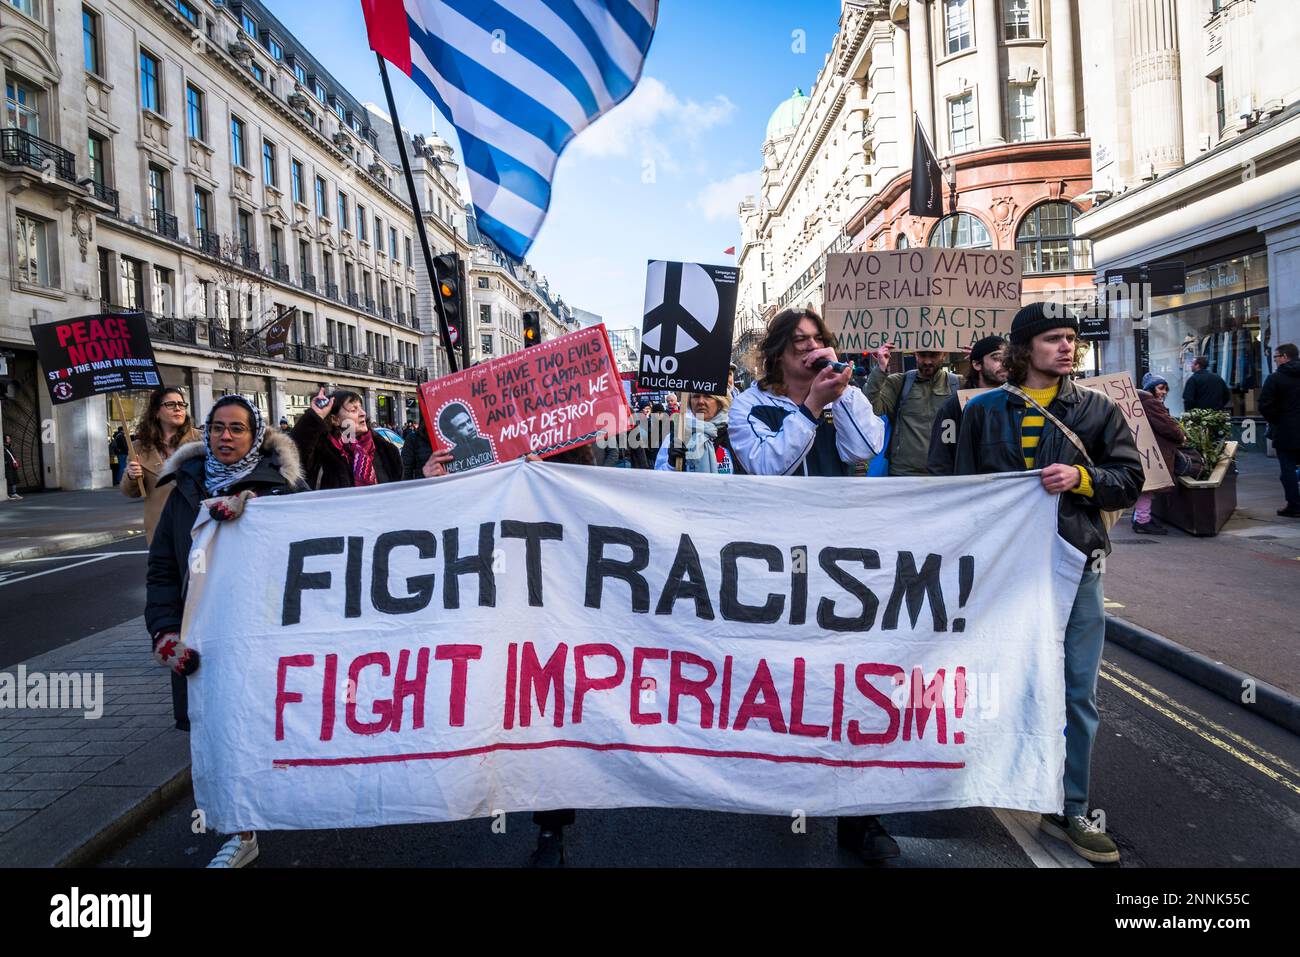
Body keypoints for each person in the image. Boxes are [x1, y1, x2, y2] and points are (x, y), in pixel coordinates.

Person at [954, 302, 1142, 863]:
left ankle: (1071, 808)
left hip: (1074, 565)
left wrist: (1082, 478)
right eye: (1054, 338)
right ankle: (991, 777)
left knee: (1077, 690)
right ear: (1023, 348)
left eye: (1072, 339)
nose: (1067, 347)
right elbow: (963, 492)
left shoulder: (1098, 411)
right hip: (1003, 572)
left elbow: (1130, 480)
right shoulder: (984, 411)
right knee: (996, 678)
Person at [728, 307, 895, 863]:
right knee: (786, 682)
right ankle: (787, 785)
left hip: (836, 558)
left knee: (846, 679)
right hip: (775, 562)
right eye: (798, 342)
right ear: (775, 352)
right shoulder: (750, 406)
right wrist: (809, 409)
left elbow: (865, 450)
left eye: (817, 339)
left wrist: (840, 396)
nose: (810, 349)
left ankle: (859, 815)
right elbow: (764, 468)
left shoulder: (844, 393)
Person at [147, 394, 306, 868]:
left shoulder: (281, 488)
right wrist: (163, 633)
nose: (225, 436)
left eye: (237, 428)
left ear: (255, 435)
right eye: (217, 427)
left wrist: (259, 510)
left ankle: (302, 802)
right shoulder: (184, 491)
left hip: (264, 637)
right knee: (221, 734)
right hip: (206, 638)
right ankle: (243, 833)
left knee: (264, 728)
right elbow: (161, 571)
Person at [121, 387, 202, 544]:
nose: (178, 408)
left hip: (196, 522)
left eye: (181, 404)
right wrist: (132, 476)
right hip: (160, 525)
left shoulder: (201, 440)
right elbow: (130, 492)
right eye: (170, 404)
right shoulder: (138, 447)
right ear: (156, 412)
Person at [865, 346, 960, 476]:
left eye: (933, 355)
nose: (927, 361)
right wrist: (880, 368)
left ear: (944, 354)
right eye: (922, 355)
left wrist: (979, 367)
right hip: (904, 474)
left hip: (947, 473)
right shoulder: (898, 382)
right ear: (915, 354)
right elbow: (872, 408)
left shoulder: (959, 383)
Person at [291, 387, 403, 489]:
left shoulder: (384, 449)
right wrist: (314, 417)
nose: (363, 413)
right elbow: (294, 455)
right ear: (335, 419)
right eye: (353, 410)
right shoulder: (321, 451)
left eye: (361, 408)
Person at [928, 336, 1007, 475]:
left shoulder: (1018, 402)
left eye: (1009, 358)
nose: (1005, 364)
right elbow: (941, 456)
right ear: (977, 364)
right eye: (997, 358)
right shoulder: (953, 408)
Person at [1132, 373, 1186, 534]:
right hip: (1153, 450)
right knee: (1148, 487)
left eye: (1165, 389)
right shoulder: (1150, 402)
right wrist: (1180, 435)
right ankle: (1142, 521)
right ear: (1151, 388)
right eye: (1160, 388)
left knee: (1146, 486)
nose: (1164, 392)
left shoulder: (1141, 401)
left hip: (1145, 449)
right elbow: (1165, 425)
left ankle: (1141, 517)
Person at [654, 392, 745, 474]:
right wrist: (671, 465)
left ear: (720, 402)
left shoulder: (735, 435)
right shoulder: (677, 435)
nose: (700, 401)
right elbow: (659, 481)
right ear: (689, 402)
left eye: (708, 396)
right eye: (696, 396)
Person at [1259, 343, 1300, 518]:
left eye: (1275, 357)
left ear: (1284, 357)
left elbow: (1264, 405)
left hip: (1287, 431)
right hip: (1288, 428)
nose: (1274, 360)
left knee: (1288, 469)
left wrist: (1278, 420)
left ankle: (1294, 505)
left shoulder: (1275, 378)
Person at [437, 401, 496, 473]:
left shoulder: (493, 444)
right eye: (461, 426)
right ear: (451, 436)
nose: (470, 427)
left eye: (469, 421)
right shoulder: (448, 462)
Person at [4, 434, 20, 500]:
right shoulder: (3, 447)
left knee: (13, 479)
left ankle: (14, 493)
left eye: (9, 438)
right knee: (9, 479)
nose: (8, 440)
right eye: (7, 438)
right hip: (7, 466)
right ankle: (8, 494)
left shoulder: (9, 447)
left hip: (12, 466)